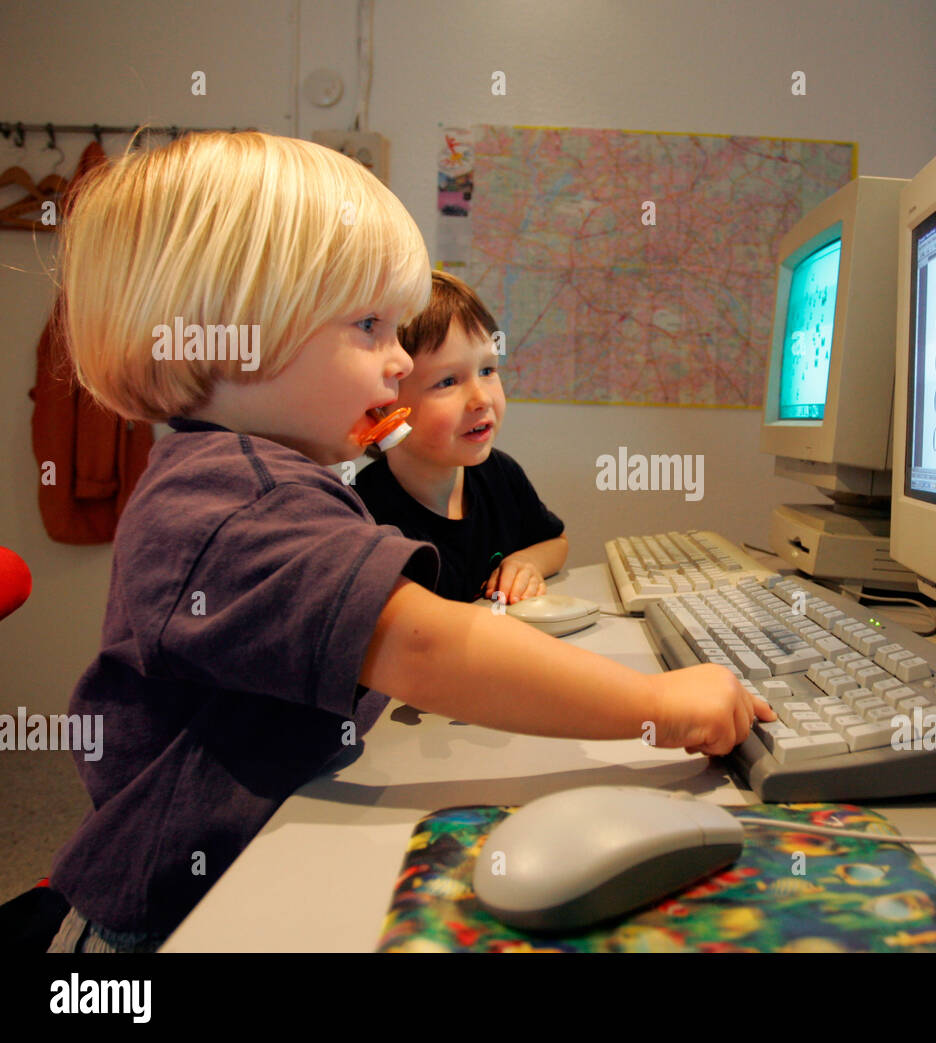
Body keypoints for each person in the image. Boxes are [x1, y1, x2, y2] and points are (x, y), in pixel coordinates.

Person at [45, 131, 773, 952]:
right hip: (166, 920)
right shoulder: (235, 498)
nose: (399, 362)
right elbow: (427, 647)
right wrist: (661, 706)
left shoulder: (254, 473)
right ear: (233, 333)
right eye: (369, 325)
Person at [355, 271, 564, 605]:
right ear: (384, 406)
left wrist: (527, 561)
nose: (481, 398)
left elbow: (556, 542)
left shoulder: (501, 474)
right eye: (448, 381)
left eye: (487, 370)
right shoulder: (365, 517)